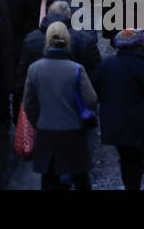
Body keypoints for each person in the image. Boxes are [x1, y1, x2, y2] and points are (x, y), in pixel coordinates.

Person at [22, 21, 97, 190]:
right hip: (73, 130)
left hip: (46, 129)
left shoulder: (34, 69)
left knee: (49, 178)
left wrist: (38, 121)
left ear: (47, 40)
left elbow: (29, 104)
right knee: (80, 177)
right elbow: (91, 99)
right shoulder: (77, 69)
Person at [91, 28, 144, 190]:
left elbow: (93, 90)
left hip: (115, 124)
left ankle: (130, 184)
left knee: (126, 159)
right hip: (140, 125)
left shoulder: (106, 65)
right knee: (136, 160)